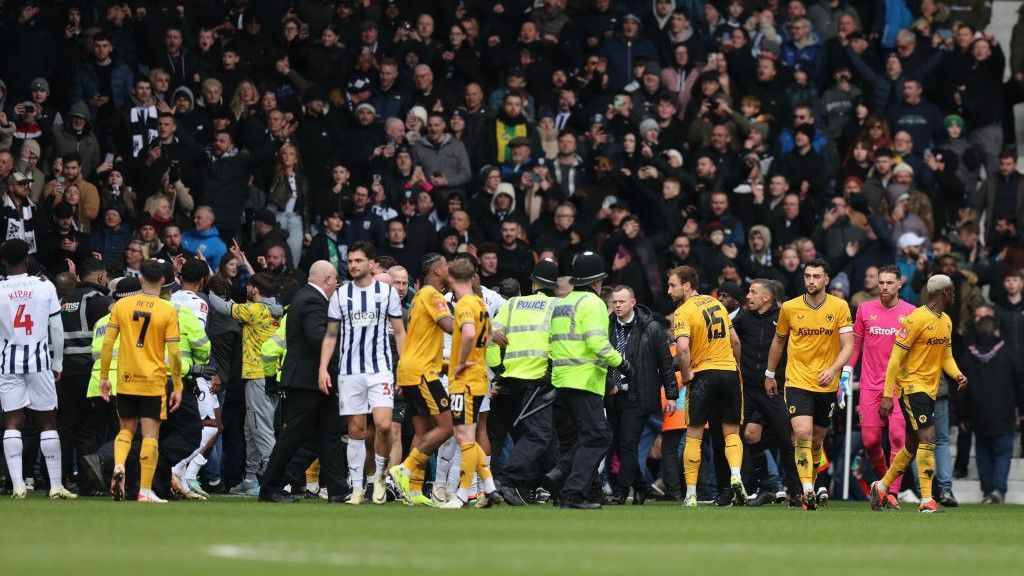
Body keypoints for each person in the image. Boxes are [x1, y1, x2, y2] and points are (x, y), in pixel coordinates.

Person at [872, 274, 968, 514]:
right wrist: (887, 394)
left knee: (913, 445)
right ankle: (926, 500)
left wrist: (957, 375)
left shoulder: (945, 321)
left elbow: (946, 355)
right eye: (953, 291)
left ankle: (881, 487)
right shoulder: (915, 319)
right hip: (912, 387)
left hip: (930, 388)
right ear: (945, 293)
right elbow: (895, 358)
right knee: (929, 439)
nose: (955, 295)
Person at [320, 242, 406, 505]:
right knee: (356, 429)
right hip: (349, 372)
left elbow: (400, 332)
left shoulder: (386, 293)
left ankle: (379, 478)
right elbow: (331, 334)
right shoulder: (341, 295)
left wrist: (403, 367)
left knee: (383, 425)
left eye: (358, 260)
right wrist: (323, 368)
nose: (353, 265)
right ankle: (357, 488)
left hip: (380, 370)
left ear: (371, 263)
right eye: (350, 261)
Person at [764, 257, 854, 510]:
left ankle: (810, 485)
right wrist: (770, 374)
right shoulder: (790, 308)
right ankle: (806, 490)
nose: (811, 281)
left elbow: (849, 345)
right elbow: (779, 342)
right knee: (801, 433)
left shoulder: (839, 307)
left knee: (816, 441)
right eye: (807, 276)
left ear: (827, 279)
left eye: (816, 276)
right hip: (798, 380)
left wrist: (834, 369)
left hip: (826, 382)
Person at [545, 251, 631, 509]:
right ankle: (572, 492)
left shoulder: (562, 303)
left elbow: (551, 342)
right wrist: (622, 363)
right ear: (596, 281)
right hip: (585, 380)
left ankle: (561, 475)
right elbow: (597, 342)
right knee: (598, 437)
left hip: (562, 380)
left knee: (586, 436)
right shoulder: (593, 304)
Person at [259, 261, 346, 504]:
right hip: (308, 380)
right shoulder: (312, 301)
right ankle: (269, 487)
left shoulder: (305, 297)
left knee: (329, 433)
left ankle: (338, 489)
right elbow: (318, 338)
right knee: (293, 436)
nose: (336, 286)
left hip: (312, 379)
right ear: (327, 279)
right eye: (335, 281)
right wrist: (345, 345)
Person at [98, 259, 183, 503]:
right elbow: (175, 354)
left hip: (126, 379)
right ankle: (145, 491)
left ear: (140, 279)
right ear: (165, 281)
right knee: (150, 436)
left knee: (125, 430)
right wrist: (177, 385)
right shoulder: (168, 310)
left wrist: (105, 376)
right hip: (152, 381)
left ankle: (119, 465)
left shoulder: (122, 305)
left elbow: (107, 344)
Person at [0, 239, 74, 500]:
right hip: (40, 361)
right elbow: (56, 327)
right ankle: (55, 485)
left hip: (8, 362)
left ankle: (18, 486)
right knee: (46, 420)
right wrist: (58, 363)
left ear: (4, 260)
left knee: (12, 420)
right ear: (27, 258)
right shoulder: (45, 286)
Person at [667, 266, 745, 508]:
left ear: (687, 285)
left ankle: (691, 494)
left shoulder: (683, 312)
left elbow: (682, 348)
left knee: (694, 434)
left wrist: (687, 373)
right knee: (731, 432)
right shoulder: (718, 305)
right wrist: (736, 368)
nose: (669, 290)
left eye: (673, 285)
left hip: (703, 375)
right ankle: (735, 474)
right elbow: (735, 341)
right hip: (729, 372)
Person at [488, 259, 560, 505]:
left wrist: (498, 370)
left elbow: (492, 340)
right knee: (539, 436)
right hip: (538, 380)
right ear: (556, 285)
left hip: (508, 381)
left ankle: (548, 487)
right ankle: (507, 481)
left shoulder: (513, 304)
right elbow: (559, 345)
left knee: (535, 437)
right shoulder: (557, 307)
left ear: (533, 282)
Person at [846, 265, 916, 509]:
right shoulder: (865, 310)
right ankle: (884, 483)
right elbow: (855, 347)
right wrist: (846, 373)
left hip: (898, 387)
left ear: (899, 284)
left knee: (898, 437)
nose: (884, 287)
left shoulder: (911, 313)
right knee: (870, 441)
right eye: (881, 282)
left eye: (889, 282)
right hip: (870, 387)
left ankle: (891, 491)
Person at [208, 272, 284, 496]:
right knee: (252, 428)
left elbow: (222, 307)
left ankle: (274, 481)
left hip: (258, 375)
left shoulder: (255, 310)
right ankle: (251, 478)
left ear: (255, 290)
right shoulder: (274, 309)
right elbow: (233, 305)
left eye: (249, 287)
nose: (246, 290)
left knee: (261, 429)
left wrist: (209, 288)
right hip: (270, 376)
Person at [389, 253, 455, 507]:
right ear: (437, 271)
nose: (449, 269)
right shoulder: (432, 295)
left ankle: (414, 491)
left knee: (424, 431)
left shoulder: (419, 298)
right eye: (446, 266)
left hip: (411, 370)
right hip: (422, 373)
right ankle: (404, 469)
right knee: (446, 426)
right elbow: (449, 326)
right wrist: (480, 325)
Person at [605, 285, 677, 505]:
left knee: (628, 444)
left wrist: (671, 394)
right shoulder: (606, 326)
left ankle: (620, 491)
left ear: (633, 303)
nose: (617, 306)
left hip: (639, 394)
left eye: (621, 302)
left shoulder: (651, 328)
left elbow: (665, 363)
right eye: (615, 302)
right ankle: (641, 487)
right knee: (618, 444)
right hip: (613, 395)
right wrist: (609, 383)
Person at [439, 258, 503, 508]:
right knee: (469, 435)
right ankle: (489, 486)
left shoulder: (464, 304)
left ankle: (462, 494)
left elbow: (468, 333)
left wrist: (460, 362)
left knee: (463, 436)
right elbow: (486, 338)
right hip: (480, 378)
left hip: (464, 381)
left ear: (451, 279)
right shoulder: (481, 303)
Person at [732, 278, 802, 506]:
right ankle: (765, 488)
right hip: (749, 388)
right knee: (750, 435)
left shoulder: (784, 317)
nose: (748, 296)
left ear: (766, 297)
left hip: (775, 389)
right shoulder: (742, 317)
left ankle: (796, 491)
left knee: (786, 439)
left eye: (752, 292)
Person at [56, 258, 112, 491]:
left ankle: (60, 478)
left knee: (66, 428)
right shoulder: (99, 302)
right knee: (91, 429)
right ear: (101, 277)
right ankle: (90, 481)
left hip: (63, 373)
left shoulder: (63, 300)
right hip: (89, 374)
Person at [168, 259, 220, 499]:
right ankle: (178, 471)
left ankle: (179, 476)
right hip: (191, 370)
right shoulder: (199, 303)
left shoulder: (169, 298)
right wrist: (206, 366)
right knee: (209, 427)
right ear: (203, 280)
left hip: (164, 368)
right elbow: (198, 336)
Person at [959, 316, 1024, 504]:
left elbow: (960, 388)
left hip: (977, 413)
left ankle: (988, 490)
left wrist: (963, 415)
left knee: (983, 453)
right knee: (1003, 453)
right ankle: (998, 489)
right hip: (1004, 413)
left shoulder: (967, 356)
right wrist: (1021, 409)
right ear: (995, 330)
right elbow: (1020, 383)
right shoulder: (1008, 353)